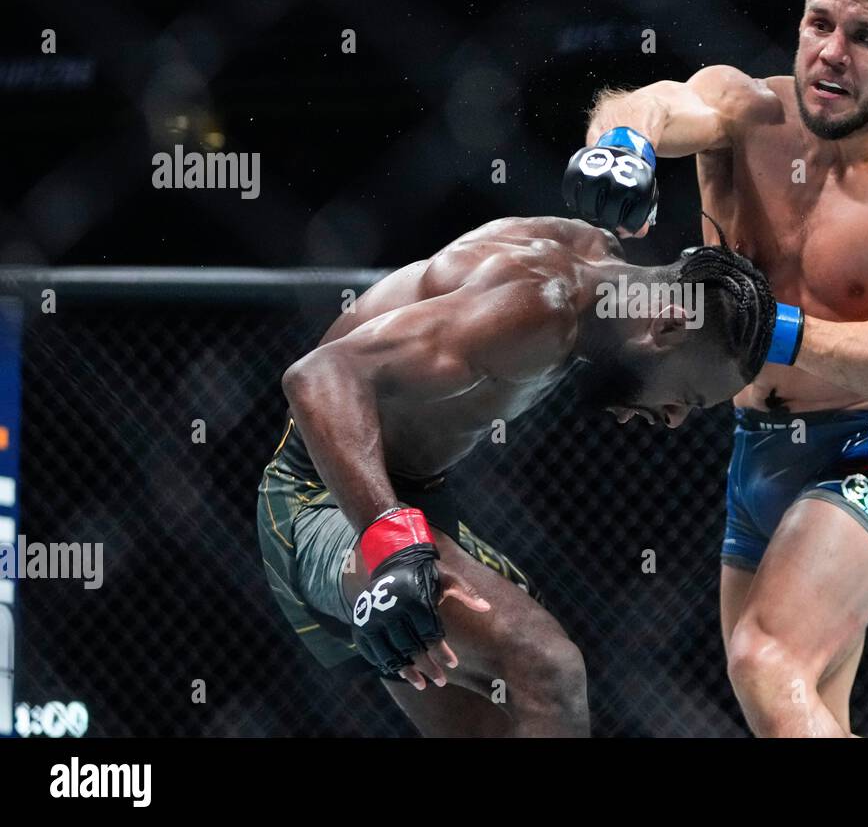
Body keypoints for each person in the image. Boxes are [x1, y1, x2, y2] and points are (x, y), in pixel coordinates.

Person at [562, 0, 868, 736]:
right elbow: (653, 100)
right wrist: (621, 145)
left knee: (766, 659)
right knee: (794, 710)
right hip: (756, 454)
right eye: (820, 23)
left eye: (867, 37)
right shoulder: (747, 112)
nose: (832, 52)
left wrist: (773, 333)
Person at [256, 214, 777, 736]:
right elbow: (319, 375)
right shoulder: (537, 308)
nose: (673, 420)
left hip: (408, 501)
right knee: (546, 666)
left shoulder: (597, 259)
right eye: (685, 398)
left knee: (516, 704)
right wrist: (392, 545)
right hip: (325, 496)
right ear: (665, 325)